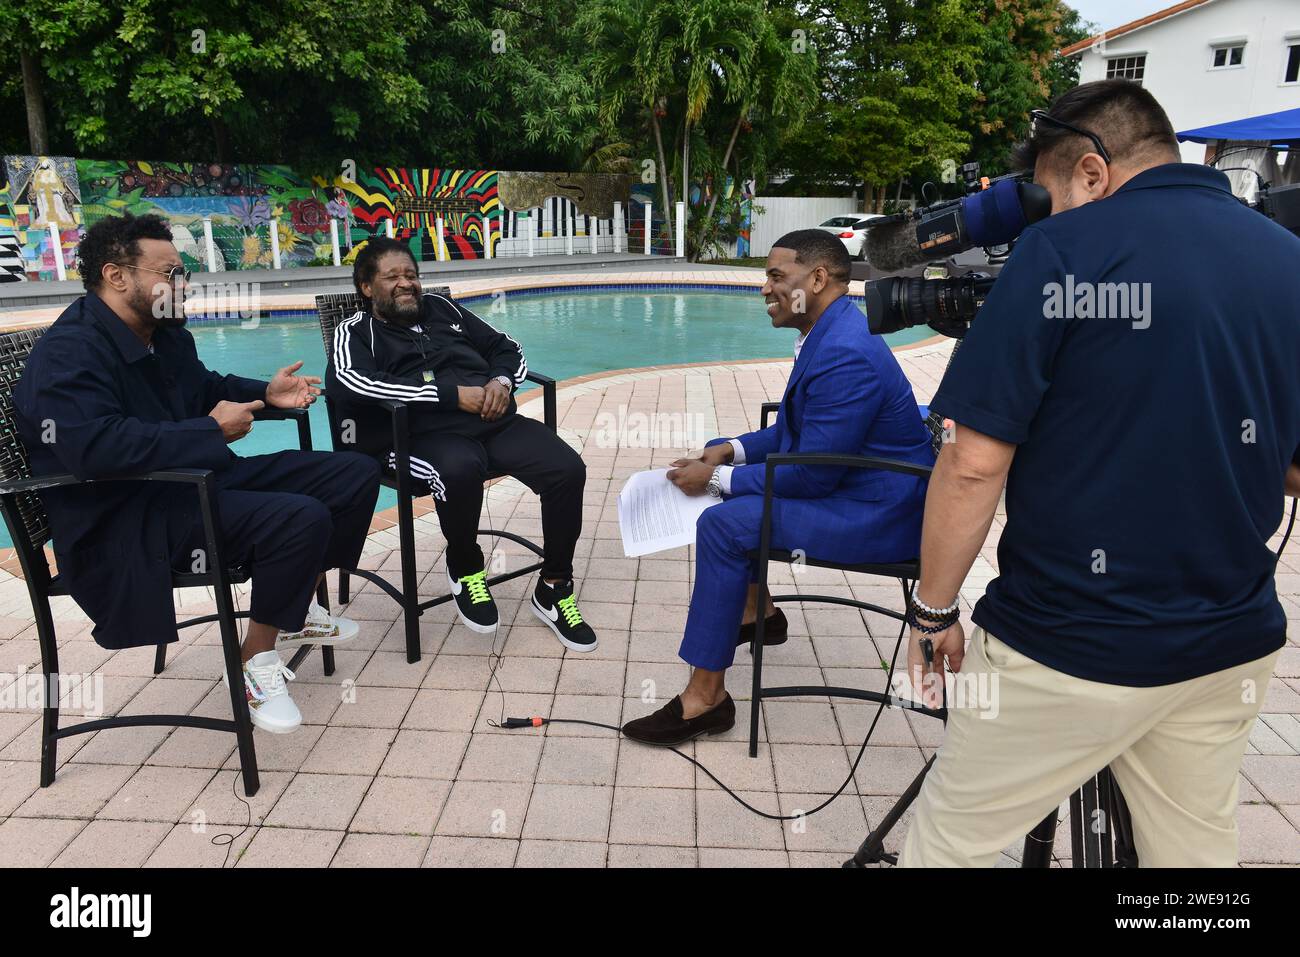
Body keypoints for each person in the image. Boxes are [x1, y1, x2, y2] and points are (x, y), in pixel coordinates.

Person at [900, 80, 1300, 867]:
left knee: (951, 846)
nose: (1045, 218)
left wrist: (933, 610)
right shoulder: (1290, 260)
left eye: (1048, 198)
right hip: (1228, 642)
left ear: (1091, 171)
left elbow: (973, 463)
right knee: (1192, 859)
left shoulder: (1061, 250)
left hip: (1067, 643)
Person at [14, 213, 381, 735]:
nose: (183, 284)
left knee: (353, 474)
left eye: (183, 272)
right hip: (126, 520)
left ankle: (292, 609)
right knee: (299, 518)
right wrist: (208, 433)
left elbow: (204, 387)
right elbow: (93, 448)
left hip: (192, 482)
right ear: (117, 276)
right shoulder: (69, 352)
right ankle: (253, 662)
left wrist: (265, 393)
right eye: (170, 273)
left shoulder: (161, 333)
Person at [621, 229, 934, 745]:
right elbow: (797, 434)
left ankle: (706, 700)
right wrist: (730, 451)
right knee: (730, 478)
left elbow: (811, 474)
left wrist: (715, 479)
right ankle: (757, 611)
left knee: (724, 524)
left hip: (881, 513)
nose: (764, 288)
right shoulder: (831, 329)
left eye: (775, 276)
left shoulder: (845, 352)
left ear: (817, 278)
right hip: (856, 483)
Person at [326, 238, 596, 650]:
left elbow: (506, 347)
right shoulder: (355, 332)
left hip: (490, 423)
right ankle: (466, 566)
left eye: (411, 275)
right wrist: (450, 396)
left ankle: (554, 586)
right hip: (415, 437)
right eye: (392, 276)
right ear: (366, 287)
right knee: (459, 468)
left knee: (567, 469)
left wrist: (501, 382)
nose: (406, 283)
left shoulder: (444, 309)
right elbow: (354, 381)